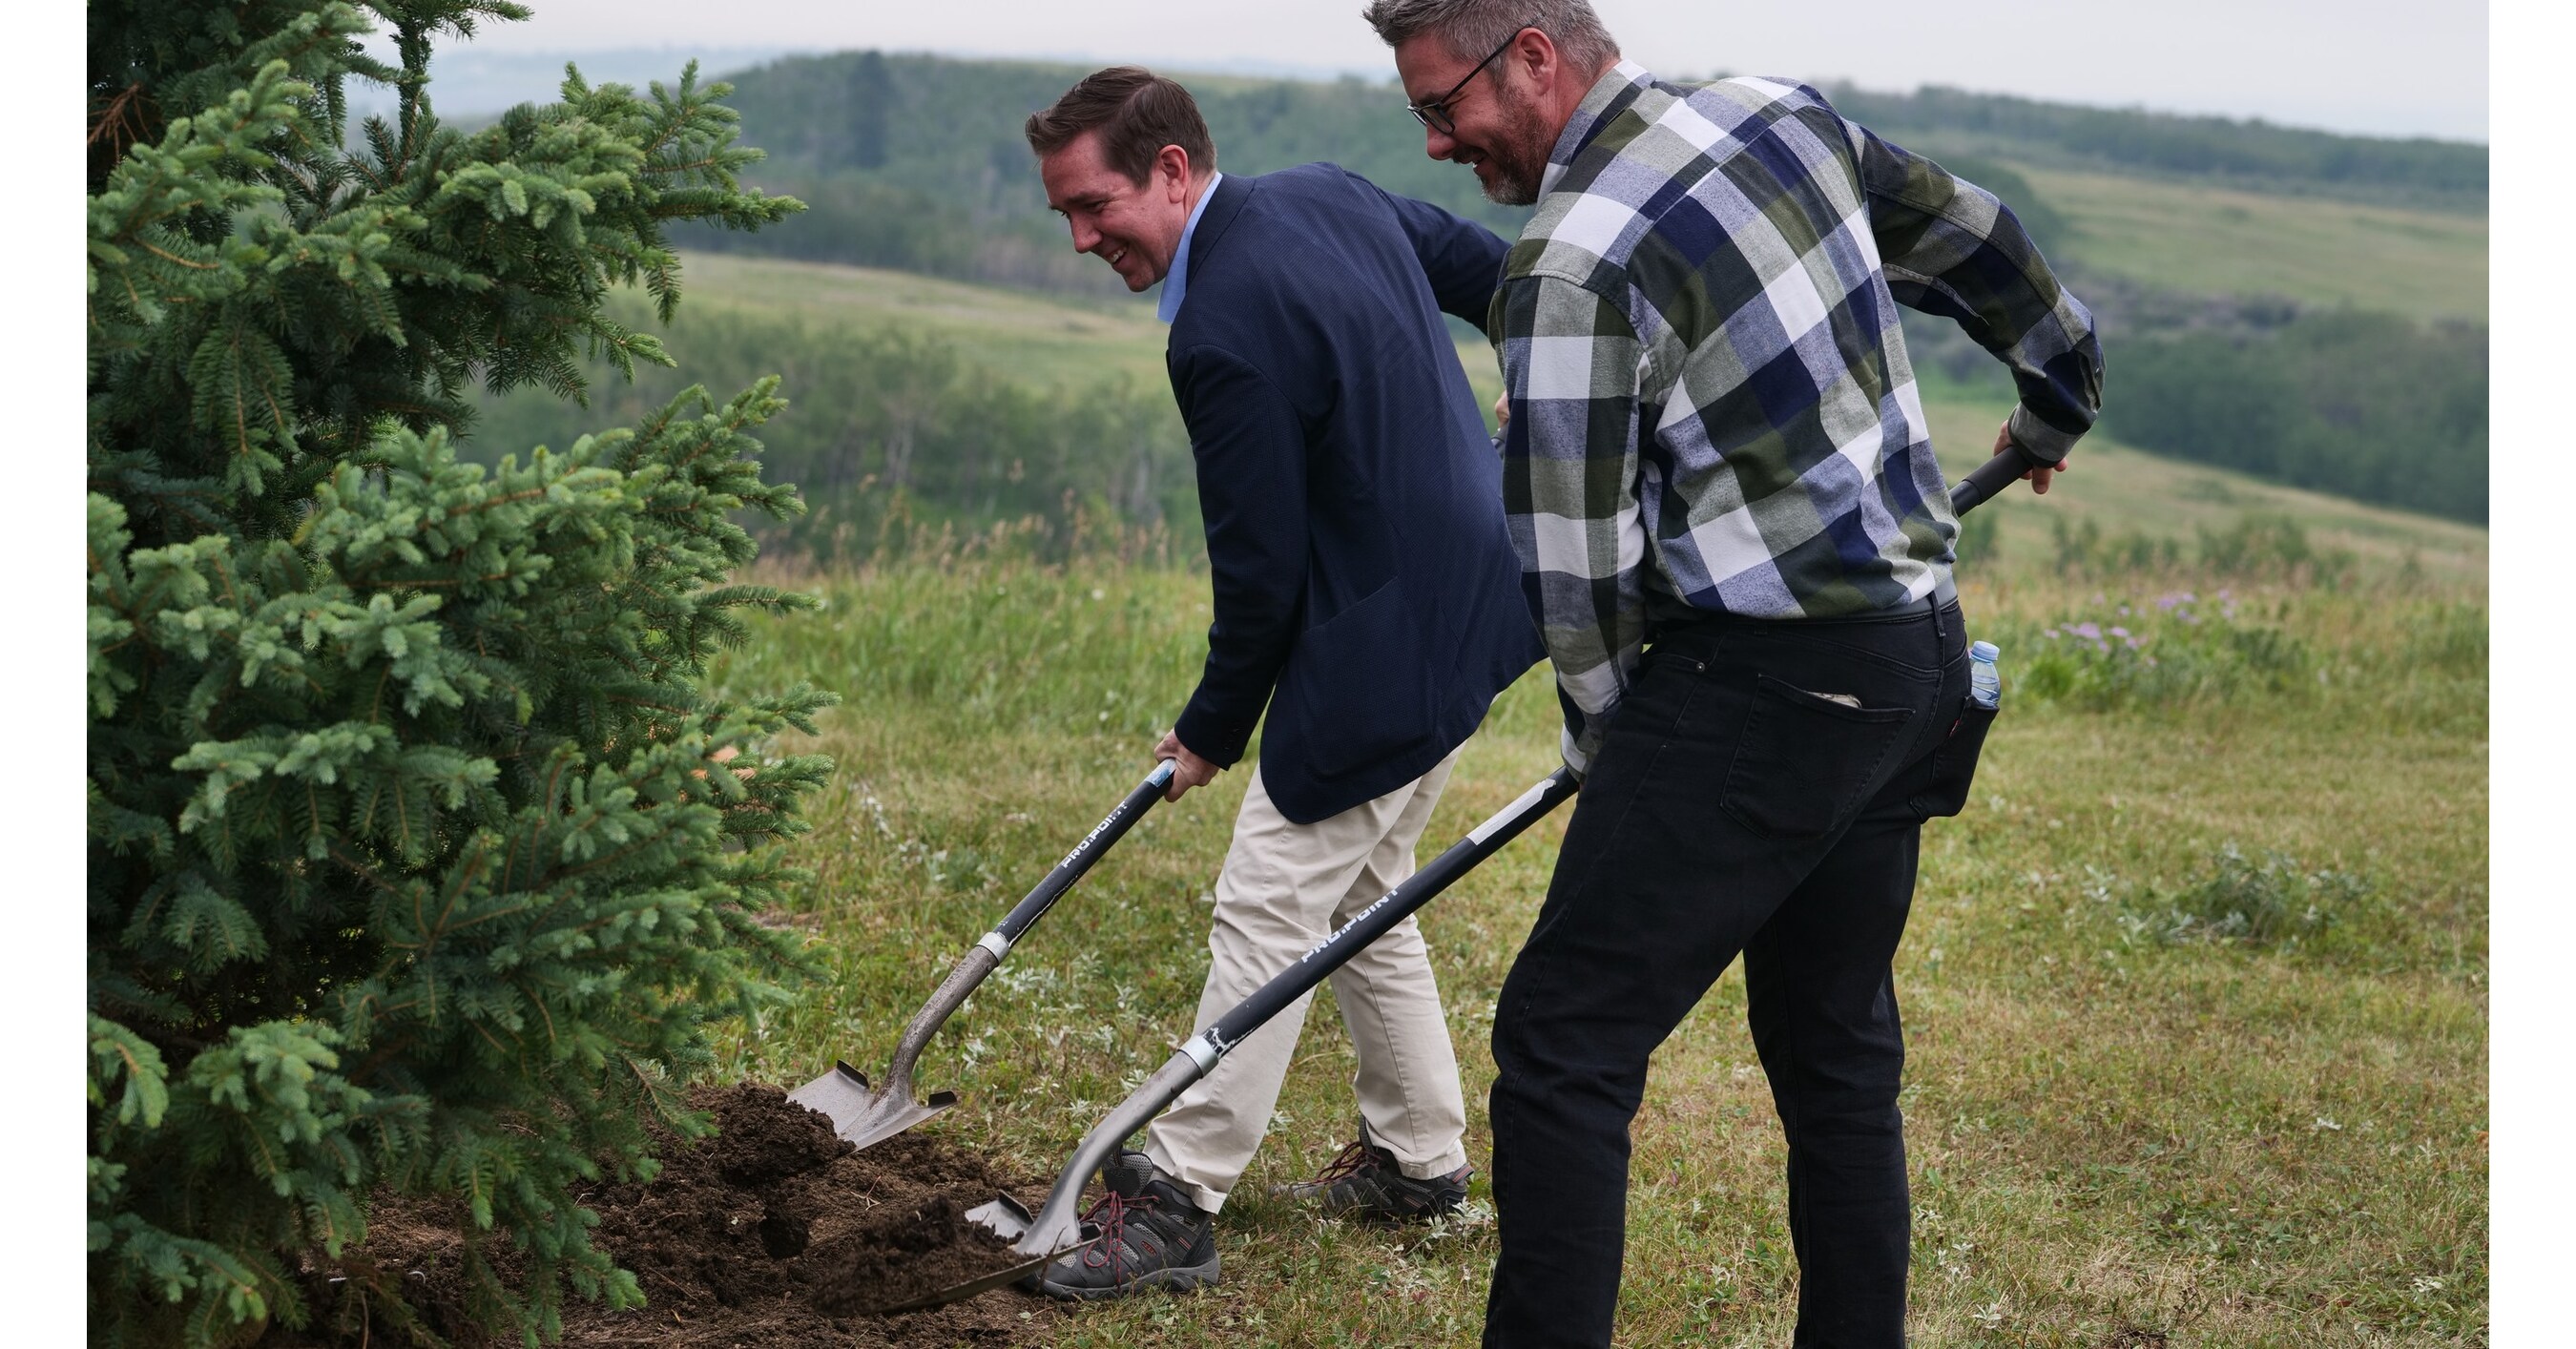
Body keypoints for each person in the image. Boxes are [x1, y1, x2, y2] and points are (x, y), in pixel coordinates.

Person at [1359, 2, 2107, 1344]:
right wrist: (2059, 396)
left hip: (1766, 686)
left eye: (1441, 106)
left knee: (1564, 1044)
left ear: (1533, 55)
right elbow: (1979, 239)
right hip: (1915, 660)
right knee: (1836, 1055)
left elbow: (1578, 572)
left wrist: (1610, 745)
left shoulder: (1569, 269)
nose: (1434, 143)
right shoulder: (1782, 118)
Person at [1019, 67, 1544, 1300]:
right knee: (1359, 894)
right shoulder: (1326, 192)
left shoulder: (1219, 331)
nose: (1085, 238)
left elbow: (1259, 575)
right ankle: (1418, 1162)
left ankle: (1178, 1196)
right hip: (1478, 595)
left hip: (1390, 643)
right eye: (1065, 216)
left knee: (1267, 899)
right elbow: (1503, 278)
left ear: (1171, 170)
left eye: (1096, 206)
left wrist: (1209, 730)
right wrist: (1537, 355)